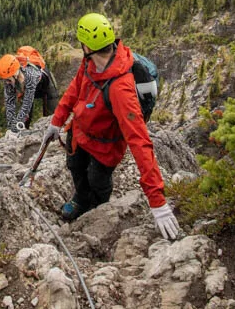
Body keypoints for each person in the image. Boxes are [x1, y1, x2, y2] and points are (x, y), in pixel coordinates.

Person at [44, 13, 180, 240]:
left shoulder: (121, 88)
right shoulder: (89, 63)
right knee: (76, 166)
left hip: (106, 146)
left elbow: (139, 140)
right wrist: (56, 121)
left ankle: (97, 211)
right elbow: (75, 90)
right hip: (79, 133)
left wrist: (157, 201)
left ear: (86, 45)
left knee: (98, 180)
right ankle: (80, 199)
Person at [0, 53, 42, 132]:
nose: (6, 83)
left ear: (15, 74)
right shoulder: (10, 81)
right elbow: (9, 104)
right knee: (23, 125)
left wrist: (15, 128)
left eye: (8, 80)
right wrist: (11, 127)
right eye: (4, 80)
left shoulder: (30, 76)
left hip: (43, 88)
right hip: (27, 93)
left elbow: (26, 105)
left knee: (51, 118)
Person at [16, 46, 59, 121]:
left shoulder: (37, 75)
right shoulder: (16, 73)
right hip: (33, 85)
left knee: (52, 118)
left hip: (45, 84)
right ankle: (23, 128)